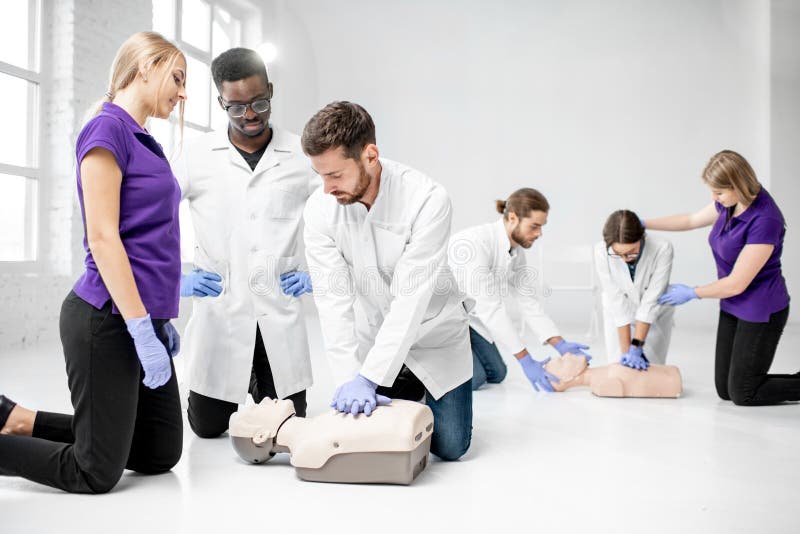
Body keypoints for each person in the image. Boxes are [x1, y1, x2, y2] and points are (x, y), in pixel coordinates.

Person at [0, 32, 186, 493]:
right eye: (177, 78)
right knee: (96, 471)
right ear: (145, 67)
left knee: (158, 452)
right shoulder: (107, 129)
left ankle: (20, 420)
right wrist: (142, 328)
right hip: (104, 318)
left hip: (141, 315)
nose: (183, 93)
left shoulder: (144, 139)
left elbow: (149, 238)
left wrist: (159, 318)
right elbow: (103, 239)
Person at [301, 101, 472, 461]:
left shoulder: (427, 200)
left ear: (370, 155)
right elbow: (333, 301)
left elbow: (411, 300)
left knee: (450, 446)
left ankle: (457, 379)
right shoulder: (320, 208)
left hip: (434, 335)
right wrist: (351, 378)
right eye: (320, 175)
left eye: (335, 175)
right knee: (375, 433)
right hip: (377, 336)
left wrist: (370, 378)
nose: (327, 188)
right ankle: (398, 380)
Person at [175, 48, 318, 438]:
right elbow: (155, 217)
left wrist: (318, 275)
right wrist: (174, 279)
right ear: (221, 102)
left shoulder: (301, 155)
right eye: (236, 107)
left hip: (278, 306)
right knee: (207, 428)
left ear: (270, 90)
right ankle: (245, 385)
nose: (250, 114)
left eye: (259, 102)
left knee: (288, 428)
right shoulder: (196, 156)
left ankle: (260, 383)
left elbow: (338, 216)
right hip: (223, 308)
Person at [647, 150, 798, 406]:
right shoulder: (729, 202)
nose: (714, 198)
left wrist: (692, 292)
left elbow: (737, 283)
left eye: (718, 192)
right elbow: (690, 220)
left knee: (744, 393)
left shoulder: (766, 220)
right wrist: (643, 223)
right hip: (731, 302)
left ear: (738, 185)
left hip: (761, 309)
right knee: (725, 390)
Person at [448, 188, 593, 392]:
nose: (539, 234)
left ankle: (456, 357)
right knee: (476, 377)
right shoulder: (474, 244)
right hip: (442, 320)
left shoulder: (514, 250)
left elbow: (528, 302)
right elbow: (491, 309)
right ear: (513, 218)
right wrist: (526, 360)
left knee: (497, 373)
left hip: (467, 319)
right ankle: (416, 369)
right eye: (534, 226)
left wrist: (559, 343)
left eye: (541, 227)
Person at [594, 210, 674, 370]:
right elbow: (616, 300)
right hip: (617, 316)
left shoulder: (662, 248)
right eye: (618, 254)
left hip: (654, 314)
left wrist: (636, 346)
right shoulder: (601, 251)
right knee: (620, 369)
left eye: (631, 252)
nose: (625, 259)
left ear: (642, 237)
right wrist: (626, 352)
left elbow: (651, 299)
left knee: (652, 371)